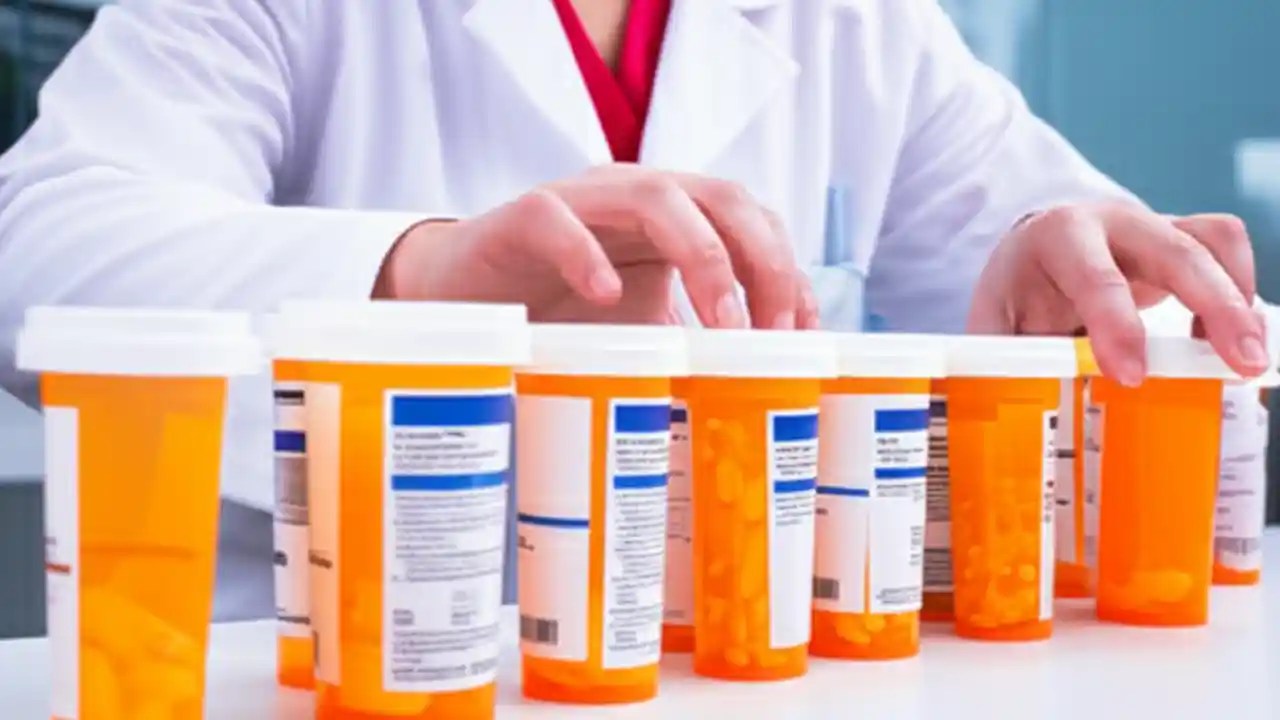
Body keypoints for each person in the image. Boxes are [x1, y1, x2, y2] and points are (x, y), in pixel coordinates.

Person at [0, 0, 1267, 616]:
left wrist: (1075, 275)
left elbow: (1063, 278)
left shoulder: (858, 23)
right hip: (323, 653)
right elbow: (41, 247)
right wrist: (417, 275)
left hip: (737, 667)